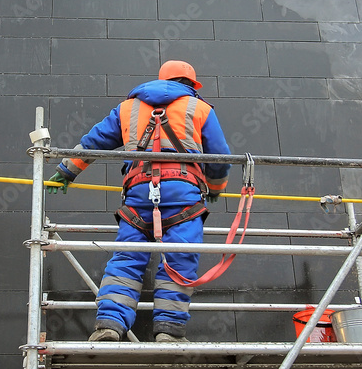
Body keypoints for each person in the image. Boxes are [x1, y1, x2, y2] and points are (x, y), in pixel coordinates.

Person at [47, 60, 230, 343]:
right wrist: (217, 188)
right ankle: (169, 333)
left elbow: (94, 142)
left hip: (138, 195)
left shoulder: (127, 108)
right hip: (183, 197)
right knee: (179, 259)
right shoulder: (200, 109)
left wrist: (65, 172)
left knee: (127, 259)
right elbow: (219, 157)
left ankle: (109, 326)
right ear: (192, 85)